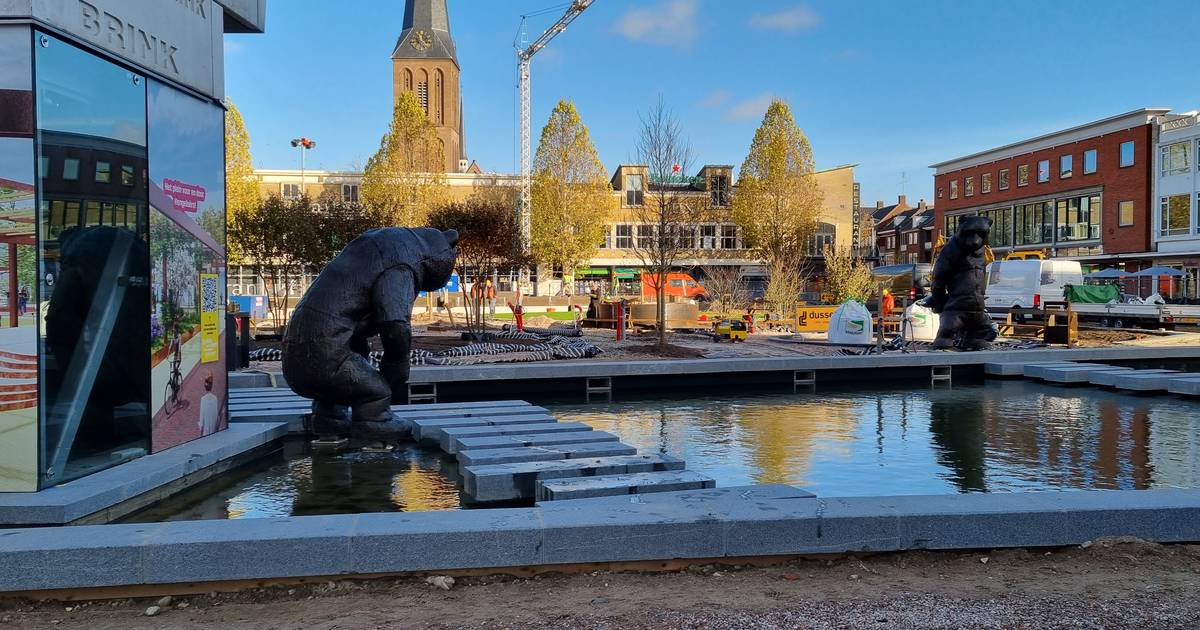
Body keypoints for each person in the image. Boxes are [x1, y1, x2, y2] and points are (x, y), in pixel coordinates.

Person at [198, 372, 220, 436]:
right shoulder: (215, 398)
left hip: (206, 430)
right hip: (213, 429)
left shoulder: (203, 399)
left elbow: (202, 416)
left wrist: (201, 428)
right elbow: (216, 414)